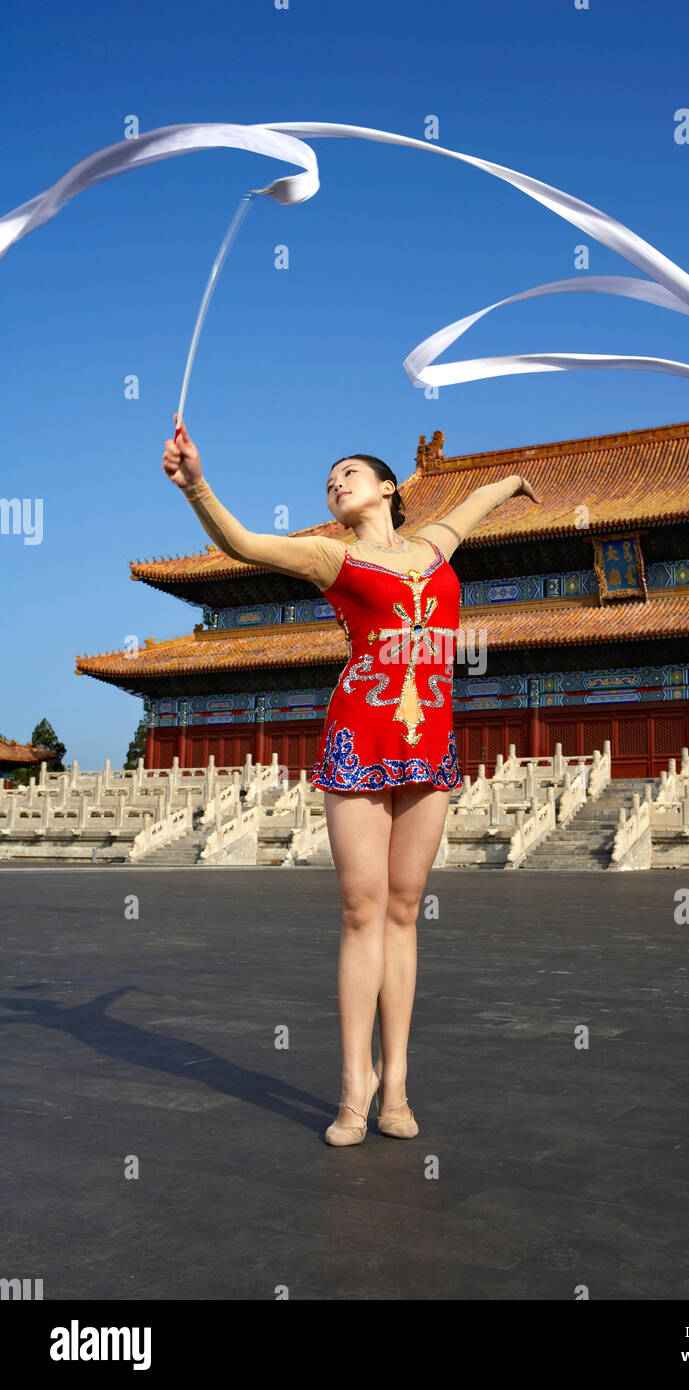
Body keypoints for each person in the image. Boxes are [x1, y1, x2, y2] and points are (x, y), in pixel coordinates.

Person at [162, 415, 539, 1145]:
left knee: (405, 910)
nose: (335, 485)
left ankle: (395, 1084)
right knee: (362, 912)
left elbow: (476, 502)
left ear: (389, 487)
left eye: (349, 475)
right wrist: (196, 485)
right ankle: (350, 1089)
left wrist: (515, 480)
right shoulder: (330, 560)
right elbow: (242, 544)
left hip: (430, 739)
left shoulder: (435, 545)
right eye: (329, 482)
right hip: (359, 734)